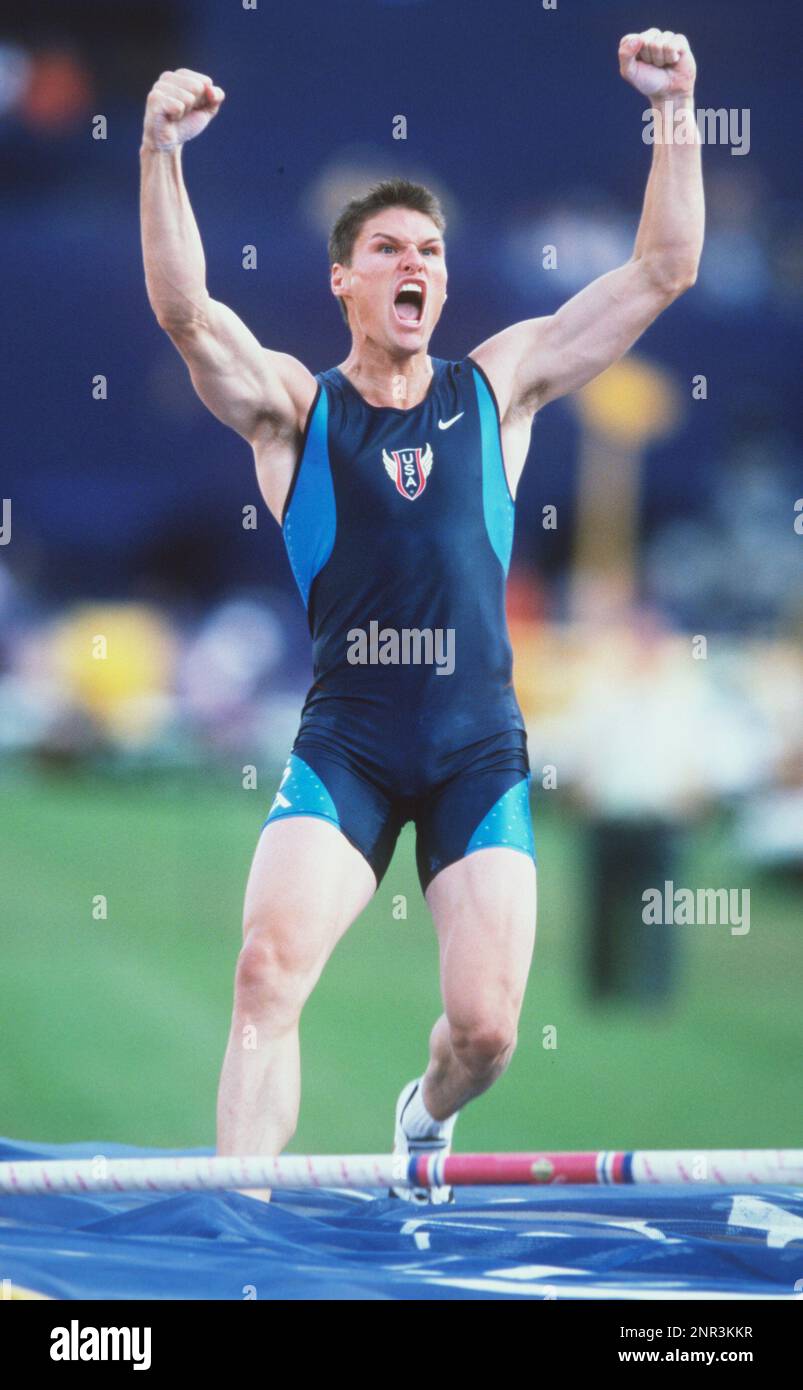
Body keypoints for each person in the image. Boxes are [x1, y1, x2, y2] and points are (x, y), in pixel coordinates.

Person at [139, 29, 703, 1203]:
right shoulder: (296, 411)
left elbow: (661, 271)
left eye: (431, 252)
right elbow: (188, 312)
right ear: (343, 280)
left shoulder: (498, 388)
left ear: (444, 284)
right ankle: (235, 1233)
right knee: (263, 975)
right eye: (388, 248)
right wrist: (158, 150)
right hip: (344, 741)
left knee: (486, 1033)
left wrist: (676, 108)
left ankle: (422, 1114)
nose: (415, 264)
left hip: (472, 749)